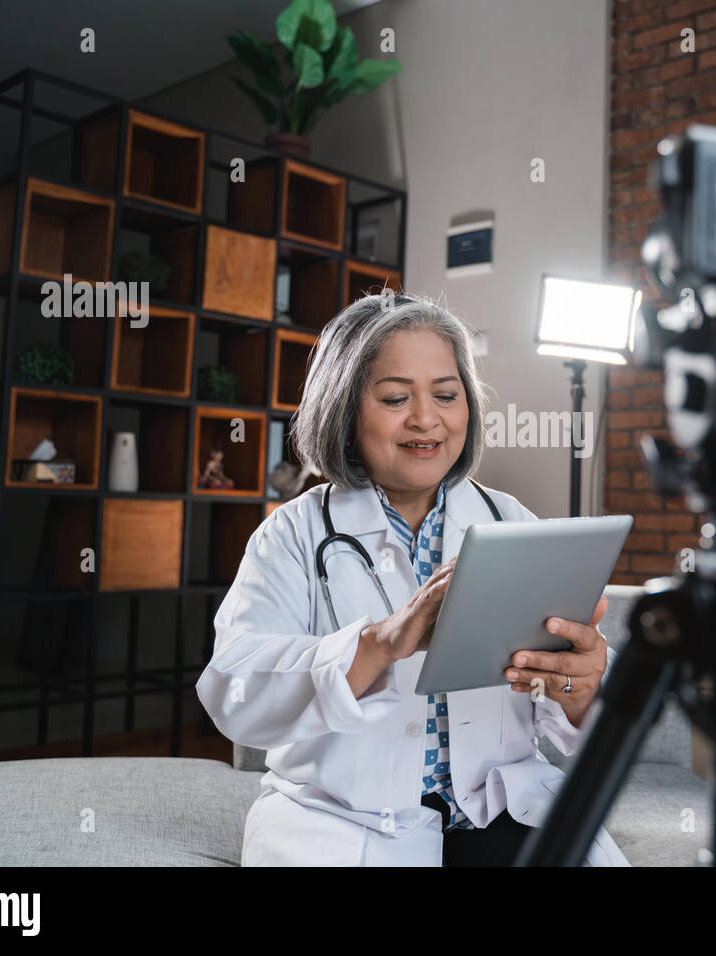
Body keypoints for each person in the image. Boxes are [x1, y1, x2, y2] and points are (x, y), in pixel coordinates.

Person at [196, 292, 630, 866]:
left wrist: (582, 679)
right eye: (396, 397)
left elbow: (578, 715)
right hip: (343, 820)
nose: (426, 419)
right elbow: (235, 689)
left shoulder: (509, 522)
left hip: (503, 810)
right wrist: (379, 645)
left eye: (446, 396)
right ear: (346, 409)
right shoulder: (293, 536)